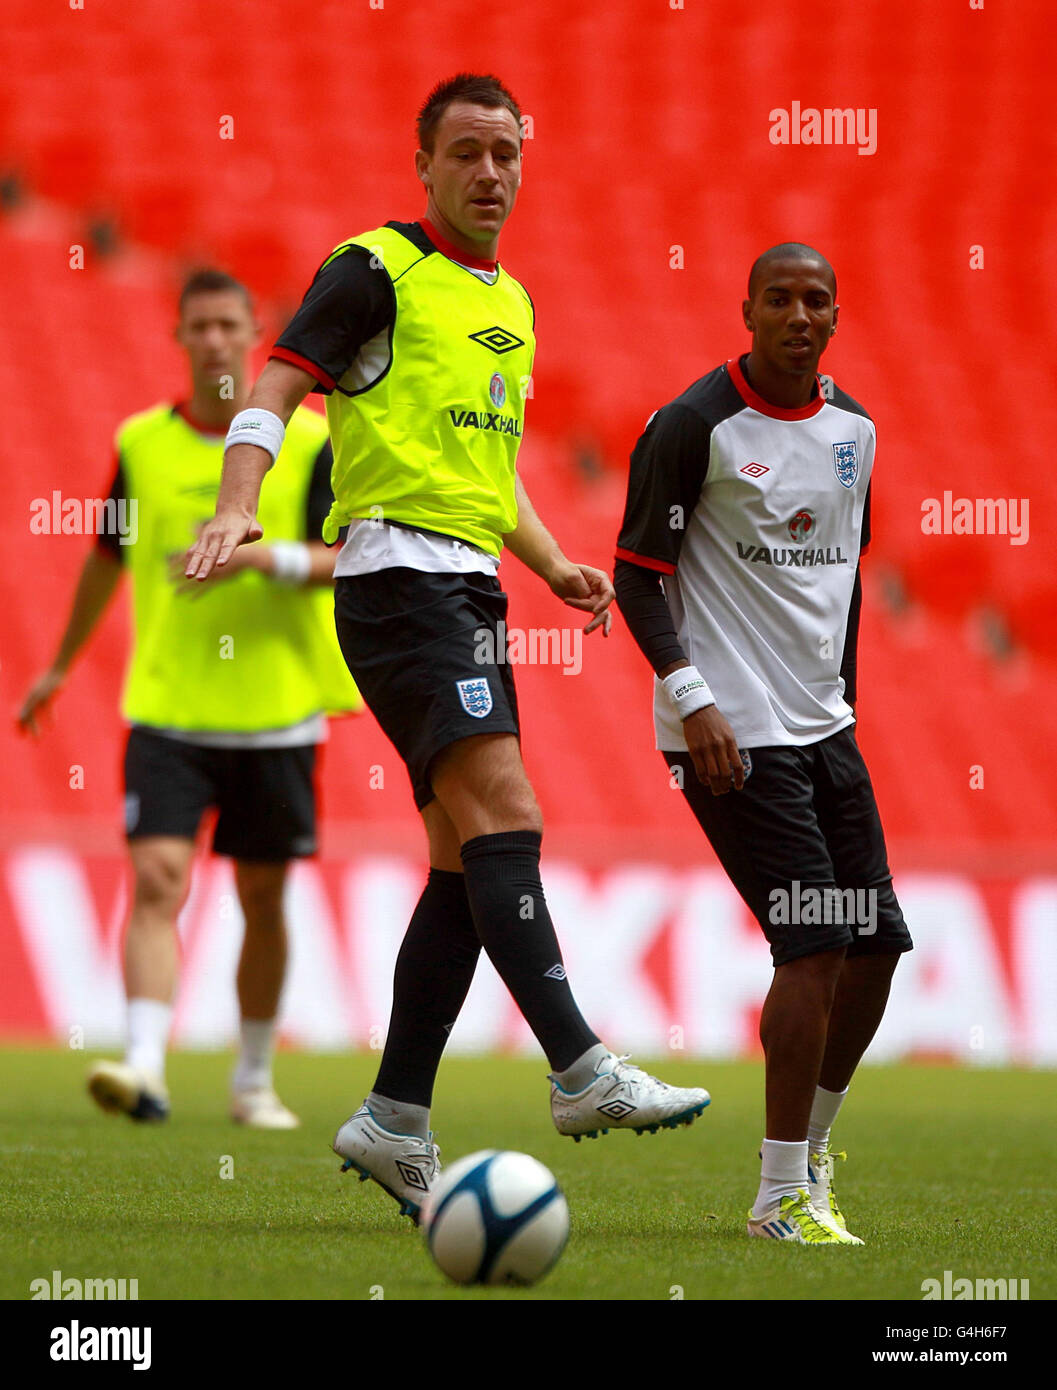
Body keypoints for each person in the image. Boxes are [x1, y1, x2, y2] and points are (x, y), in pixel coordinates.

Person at [185, 72, 710, 1223]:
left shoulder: (511, 304)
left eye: (504, 154)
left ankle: (394, 1116)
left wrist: (552, 559)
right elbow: (279, 379)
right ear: (422, 164)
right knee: (509, 814)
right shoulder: (375, 266)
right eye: (464, 153)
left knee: (463, 863)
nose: (487, 173)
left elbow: (488, 471)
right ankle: (578, 1067)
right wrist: (239, 500)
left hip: (467, 584)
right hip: (396, 582)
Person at [614, 243, 913, 1245]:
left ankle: (812, 1154)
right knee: (816, 942)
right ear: (745, 310)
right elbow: (637, 572)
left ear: (836, 316)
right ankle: (776, 1195)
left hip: (824, 727)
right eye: (777, 298)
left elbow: (842, 581)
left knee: (874, 948)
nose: (797, 313)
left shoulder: (854, 432)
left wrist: (847, 702)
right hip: (730, 734)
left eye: (815, 299)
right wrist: (691, 697)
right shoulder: (694, 425)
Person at [18, 269, 361, 1129]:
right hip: (167, 707)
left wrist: (265, 559)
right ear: (178, 336)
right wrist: (61, 664)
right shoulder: (141, 442)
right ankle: (142, 1067)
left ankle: (251, 1080)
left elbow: (348, 555)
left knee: (264, 897)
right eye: (197, 326)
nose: (212, 340)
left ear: (254, 331)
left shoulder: (309, 442)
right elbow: (105, 557)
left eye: (226, 324)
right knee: (159, 877)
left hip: (277, 709)